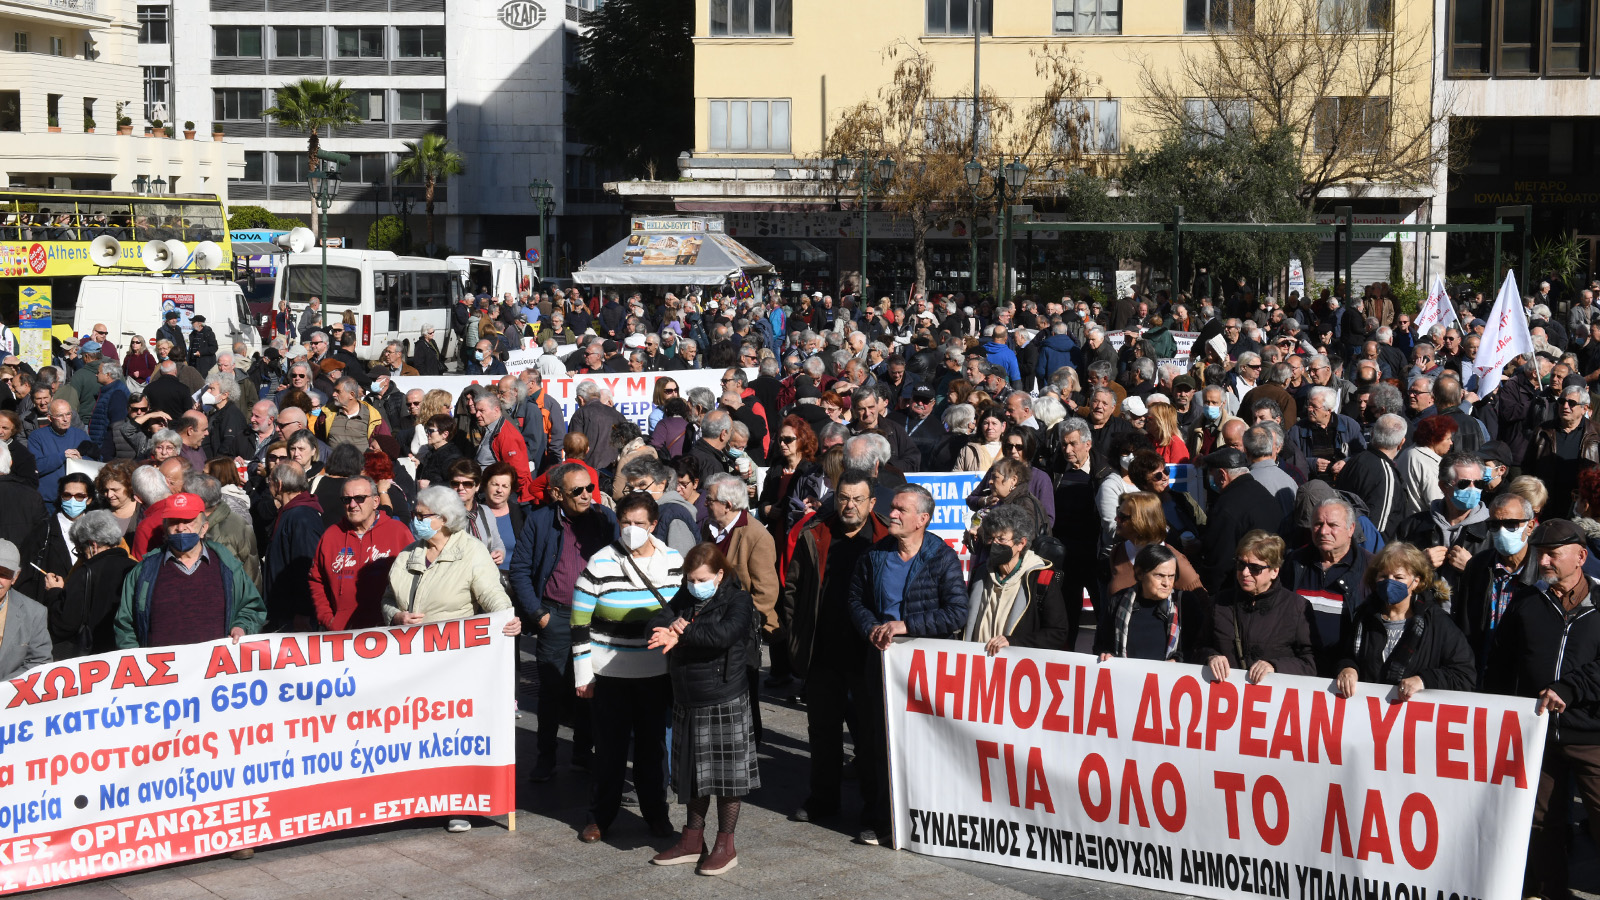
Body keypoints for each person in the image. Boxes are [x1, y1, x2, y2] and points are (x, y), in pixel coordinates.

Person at [383, 485, 522, 832]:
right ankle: (424, 796)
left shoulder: (471, 553)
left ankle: (459, 803)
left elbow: (493, 598)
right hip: (413, 665)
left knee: (453, 735)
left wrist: (508, 620)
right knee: (420, 733)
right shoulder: (408, 555)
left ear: (443, 520)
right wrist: (396, 617)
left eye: (421, 515)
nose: (415, 521)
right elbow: (387, 601)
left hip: (456, 666)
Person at [1485, 518, 1600, 899]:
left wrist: (1569, 688)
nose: (1545, 562)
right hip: (1537, 736)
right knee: (1541, 822)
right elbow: (1503, 664)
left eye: (1553, 553)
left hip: (1591, 736)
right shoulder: (1526, 604)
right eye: (1540, 554)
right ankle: (1549, 891)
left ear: (1580, 556)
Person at [847, 484, 967, 846]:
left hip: (922, 667)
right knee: (874, 739)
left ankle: (922, 815)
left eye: (901, 509)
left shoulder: (940, 557)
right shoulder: (875, 555)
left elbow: (956, 613)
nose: (892, 514)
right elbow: (855, 600)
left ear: (923, 519)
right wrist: (871, 628)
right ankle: (879, 816)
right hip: (879, 662)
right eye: (892, 507)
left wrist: (907, 626)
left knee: (919, 742)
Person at [572, 493, 683, 843]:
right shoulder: (600, 562)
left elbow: (686, 610)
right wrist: (583, 674)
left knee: (653, 751)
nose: (632, 530)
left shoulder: (673, 560)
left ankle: (657, 816)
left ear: (653, 525)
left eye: (639, 523)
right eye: (626, 523)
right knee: (609, 751)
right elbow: (579, 623)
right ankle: (600, 817)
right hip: (610, 676)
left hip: (656, 674)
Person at [646, 543, 759, 876]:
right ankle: (692, 840)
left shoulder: (738, 599)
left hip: (723, 694)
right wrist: (666, 628)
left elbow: (724, 634)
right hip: (687, 694)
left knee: (726, 779)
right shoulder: (686, 596)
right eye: (690, 579)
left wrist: (684, 633)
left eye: (701, 578)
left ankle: (726, 845)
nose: (694, 584)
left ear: (719, 575)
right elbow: (661, 617)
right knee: (694, 775)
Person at [781, 469, 885, 822]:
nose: (849, 505)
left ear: (871, 502)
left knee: (870, 737)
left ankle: (875, 807)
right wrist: (797, 639)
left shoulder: (884, 536)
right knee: (823, 734)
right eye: (843, 498)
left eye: (857, 499)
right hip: (823, 654)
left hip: (868, 657)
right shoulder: (817, 533)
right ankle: (823, 800)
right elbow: (793, 590)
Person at [508, 462, 618, 783]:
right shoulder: (541, 521)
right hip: (554, 615)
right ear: (557, 494)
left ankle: (583, 754)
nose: (587, 496)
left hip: (594, 618)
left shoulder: (603, 519)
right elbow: (520, 570)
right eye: (578, 491)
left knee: (589, 687)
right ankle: (546, 758)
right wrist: (538, 614)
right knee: (552, 691)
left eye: (590, 489)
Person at [113, 492, 266, 648]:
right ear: (165, 528)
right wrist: (136, 661)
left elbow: (252, 608)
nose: (180, 528)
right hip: (162, 670)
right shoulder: (143, 572)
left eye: (188, 521)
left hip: (214, 668)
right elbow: (125, 626)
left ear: (204, 528)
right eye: (174, 521)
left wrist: (242, 627)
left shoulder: (227, 566)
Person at [1334, 541, 1474, 699]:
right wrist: (1348, 668)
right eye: (1384, 576)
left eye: (1398, 577)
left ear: (1416, 581)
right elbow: (1347, 655)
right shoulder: (1364, 617)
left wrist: (1423, 680)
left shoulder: (1436, 623)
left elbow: (1464, 674)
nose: (1390, 582)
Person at [1198, 530, 1317, 683]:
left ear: (1274, 571)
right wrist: (1210, 657)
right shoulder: (1219, 602)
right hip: (1225, 700)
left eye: (1255, 568)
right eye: (1241, 564)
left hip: (1270, 702)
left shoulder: (1297, 607)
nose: (1245, 573)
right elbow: (1197, 648)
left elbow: (1310, 663)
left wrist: (1275, 667)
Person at [1279, 496, 1372, 674]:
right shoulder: (1295, 562)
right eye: (1318, 524)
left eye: (1333, 525)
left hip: (1345, 673)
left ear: (1351, 528)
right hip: (1297, 668)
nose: (1323, 531)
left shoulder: (1370, 568)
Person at [309, 474, 413, 631]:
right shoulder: (331, 536)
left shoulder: (398, 532)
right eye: (346, 499)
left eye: (359, 498)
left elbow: (416, 577)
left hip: (389, 631)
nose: (352, 504)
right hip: (343, 633)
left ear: (376, 501)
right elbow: (317, 580)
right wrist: (328, 619)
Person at [962, 503, 1069, 653]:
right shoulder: (980, 573)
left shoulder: (1041, 577)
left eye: (1001, 539)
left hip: (1017, 671)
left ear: (1021, 543)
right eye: (991, 538)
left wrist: (1014, 642)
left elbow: (1057, 633)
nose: (994, 545)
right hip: (979, 669)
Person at [40, 510, 136, 659]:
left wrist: (54, 592)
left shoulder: (85, 573)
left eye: (80, 550)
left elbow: (64, 624)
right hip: (128, 652)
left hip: (93, 657)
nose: (81, 556)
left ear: (93, 545)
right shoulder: (135, 567)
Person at [1394, 451, 1491, 596]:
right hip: (1424, 613)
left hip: (1468, 615)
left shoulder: (1492, 529)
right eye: (1464, 484)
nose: (1473, 489)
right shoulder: (1413, 526)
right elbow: (1388, 571)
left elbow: (1504, 584)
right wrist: (1418, 563)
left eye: (1478, 483)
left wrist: (1473, 569)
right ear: (1443, 486)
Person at [1095, 543, 1207, 661]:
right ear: (1140, 573)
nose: (1167, 583)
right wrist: (1105, 654)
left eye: (1171, 576)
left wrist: (1177, 660)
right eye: (1159, 576)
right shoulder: (1118, 602)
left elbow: (1200, 649)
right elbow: (1100, 645)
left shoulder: (1185, 603)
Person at [1196, 448, 1281, 593]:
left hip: (1236, 589)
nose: (1211, 481)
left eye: (1211, 475)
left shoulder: (1226, 507)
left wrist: (1209, 593)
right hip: (1268, 581)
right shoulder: (1264, 494)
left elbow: (1219, 561)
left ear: (1222, 474)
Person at [262, 462, 325, 630]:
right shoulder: (291, 512)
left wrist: (303, 613)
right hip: (284, 613)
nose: (268, 484)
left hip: (296, 618)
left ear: (279, 484)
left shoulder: (302, 517)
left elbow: (307, 566)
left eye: (270, 480)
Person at [1106, 491, 1204, 594]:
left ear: (1141, 521)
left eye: (1122, 516)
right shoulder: (1118, 552)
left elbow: (1202, 604)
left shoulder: (1176, 562)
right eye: (1118, 512)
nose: (1116, 519)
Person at [0, 539, 51, 679]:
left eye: (4, 574)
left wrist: (6, 687)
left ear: (15, 578)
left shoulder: (34, 613)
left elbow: (40, 661)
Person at [29, 399, 89, 502]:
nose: (65, 419)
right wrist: (62, 456)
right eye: (60, 416)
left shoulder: (80, 435)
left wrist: (81, 459)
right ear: (50, 418)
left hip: (75, 498)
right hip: (49, 498)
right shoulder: (37, 436)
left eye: (68, 414)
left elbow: (96, 459)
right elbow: (36, 466)